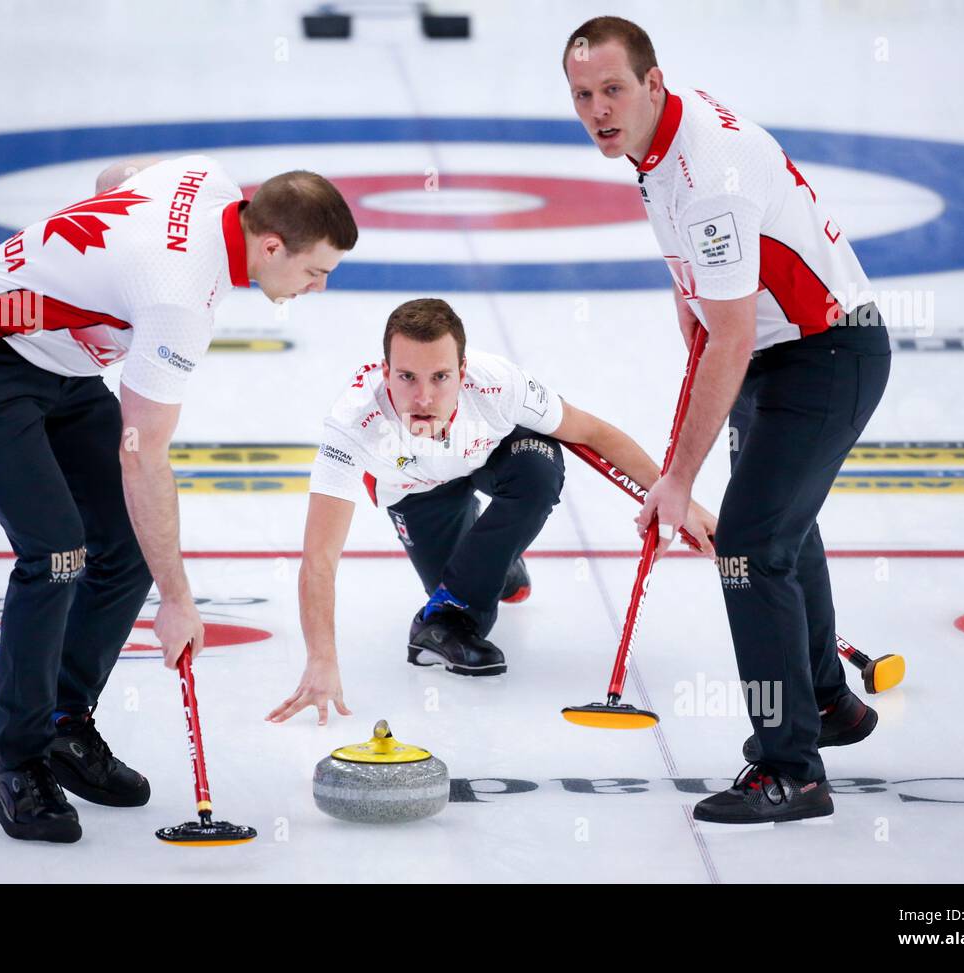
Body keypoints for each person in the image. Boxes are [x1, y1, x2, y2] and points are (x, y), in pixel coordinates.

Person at [0, 155, 357, 842]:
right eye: (314, 270)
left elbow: (113, 180)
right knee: (57, 552)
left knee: (124, 546)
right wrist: (178, 599)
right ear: (270, 246)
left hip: (56, 360)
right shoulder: (181, 296)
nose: (317, 286)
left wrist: (96, 279)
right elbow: (143, 454)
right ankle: (17, 765)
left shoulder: (207, 181)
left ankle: (64, 724)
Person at [563, 17, 891, 824]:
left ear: (653, 82)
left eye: (612, 90)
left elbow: (734, 334)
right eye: (581, 96)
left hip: (824, 355)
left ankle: (792, 770)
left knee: (747, 547)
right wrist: (693, 303)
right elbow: (716, 303)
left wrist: (676, 479)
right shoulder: (654, 142)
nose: (598, 110)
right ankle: (829, 702)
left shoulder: (707, 169)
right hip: (782, 347)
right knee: (778, 524)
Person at [266, 298, 716, 726]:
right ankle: (497, 566)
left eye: (440, 377)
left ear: (463, 372)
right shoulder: (353, 423)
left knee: (537, 468)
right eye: (407, 378)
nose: (424, 397)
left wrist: (681, 500)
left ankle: (448, 611)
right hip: (417, 491)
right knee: (468, 575)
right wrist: (321, 660)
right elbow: (319, 559)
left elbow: (593, 434)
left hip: (486, 458)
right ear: (385, 373)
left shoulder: (498, 384)